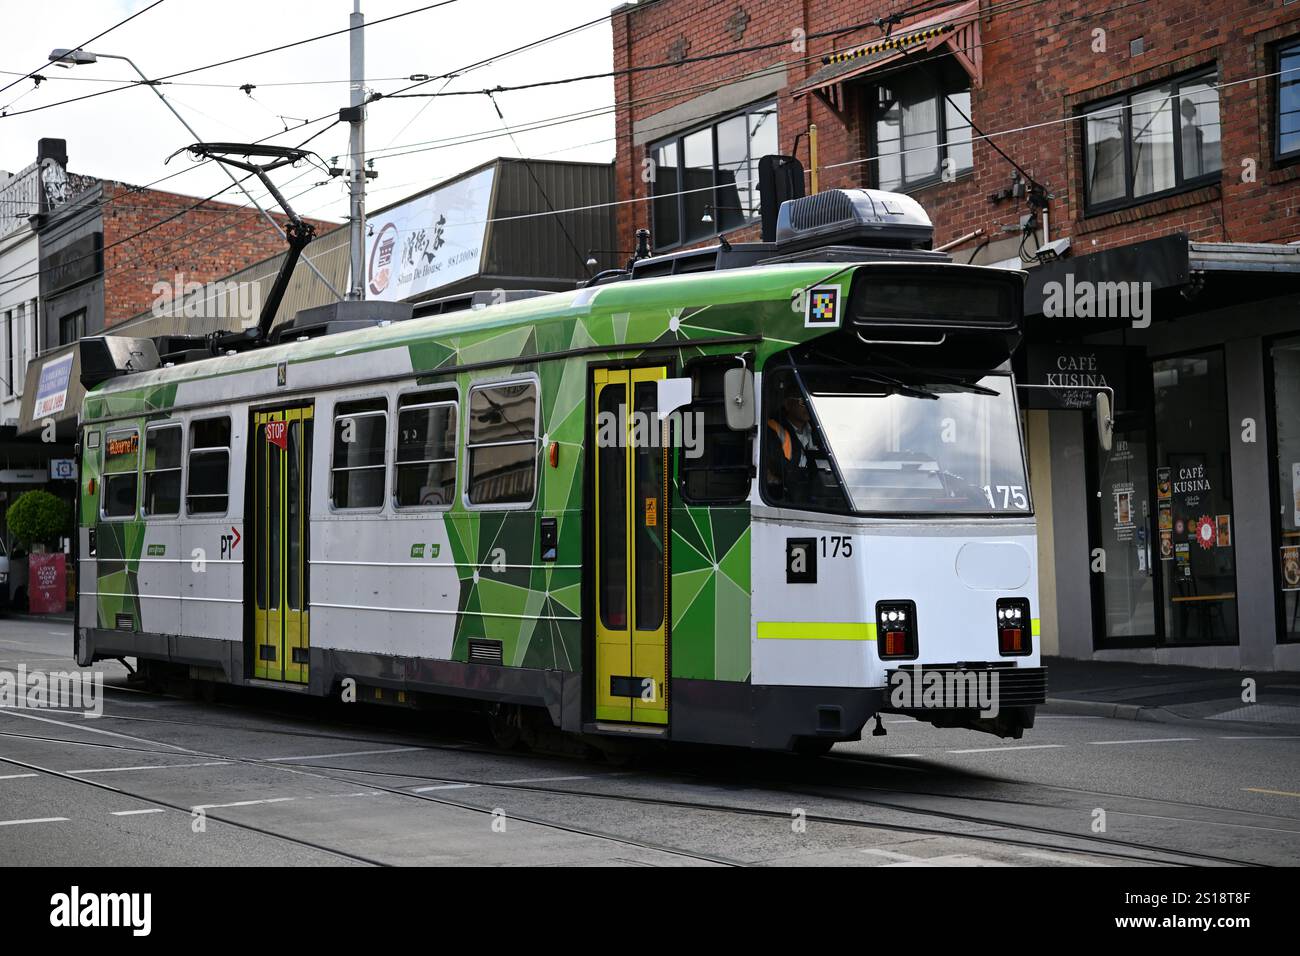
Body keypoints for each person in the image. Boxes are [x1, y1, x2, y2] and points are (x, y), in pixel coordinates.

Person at [765, 392, 822, 500]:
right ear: (788, 404)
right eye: (802, 401)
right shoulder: (771, 429)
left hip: (814, 490)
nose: (809, 405)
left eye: (811, 400)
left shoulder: (819, 430)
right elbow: (779, 468)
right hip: (785, 495)